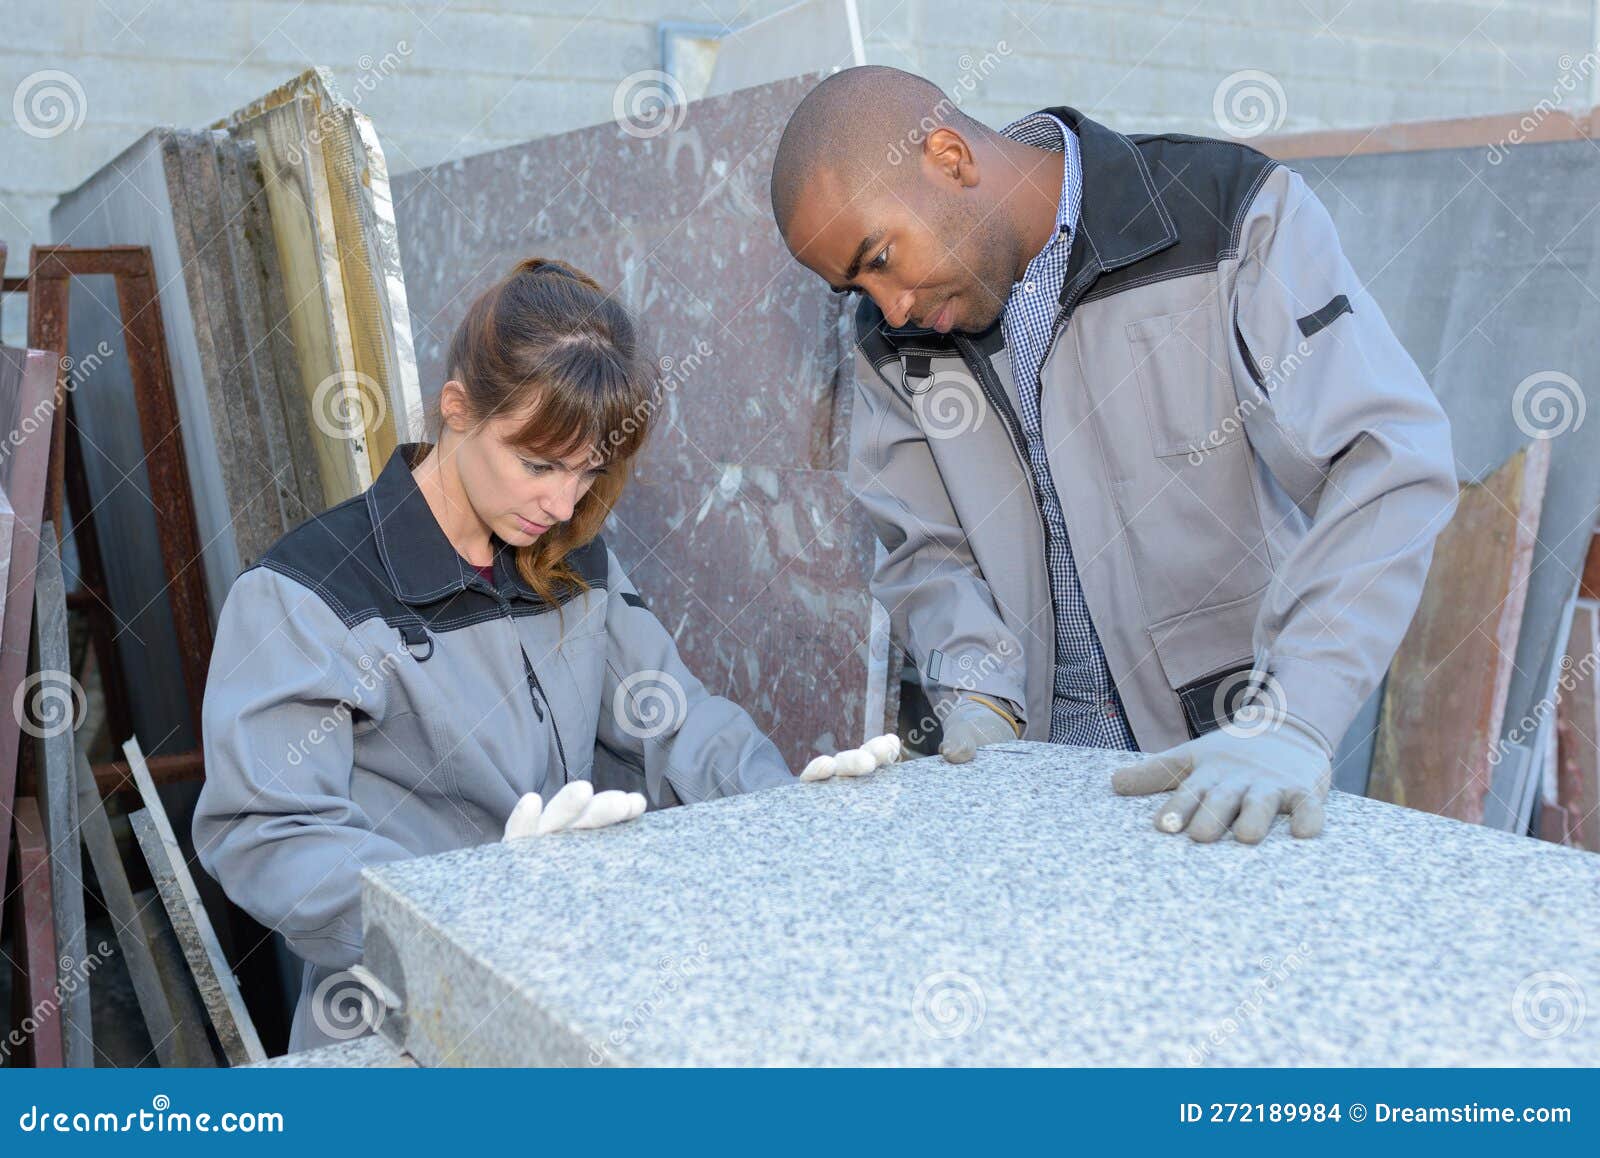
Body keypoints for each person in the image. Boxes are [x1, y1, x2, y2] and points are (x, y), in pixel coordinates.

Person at [770, 67, 1457, 844]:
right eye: (855, 287)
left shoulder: (1224, 213)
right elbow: (927, 549)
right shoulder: (897, 340)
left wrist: (1293, 720)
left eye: (882, 257)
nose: (888, 307)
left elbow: (1389, 461)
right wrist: (982, 698)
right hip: (1039, 803)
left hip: (1231, 775)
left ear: (951, 157)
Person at [193, 257, 793, 1053]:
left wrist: (791, 806)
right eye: (539, 464)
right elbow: (268, 833)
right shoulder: (305, 595)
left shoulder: (574, 558)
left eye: (588, 471)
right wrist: (466, 910)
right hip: (400, 1025)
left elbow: (674, 720)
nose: (563, 502)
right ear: (458, 411)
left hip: (563, 990)